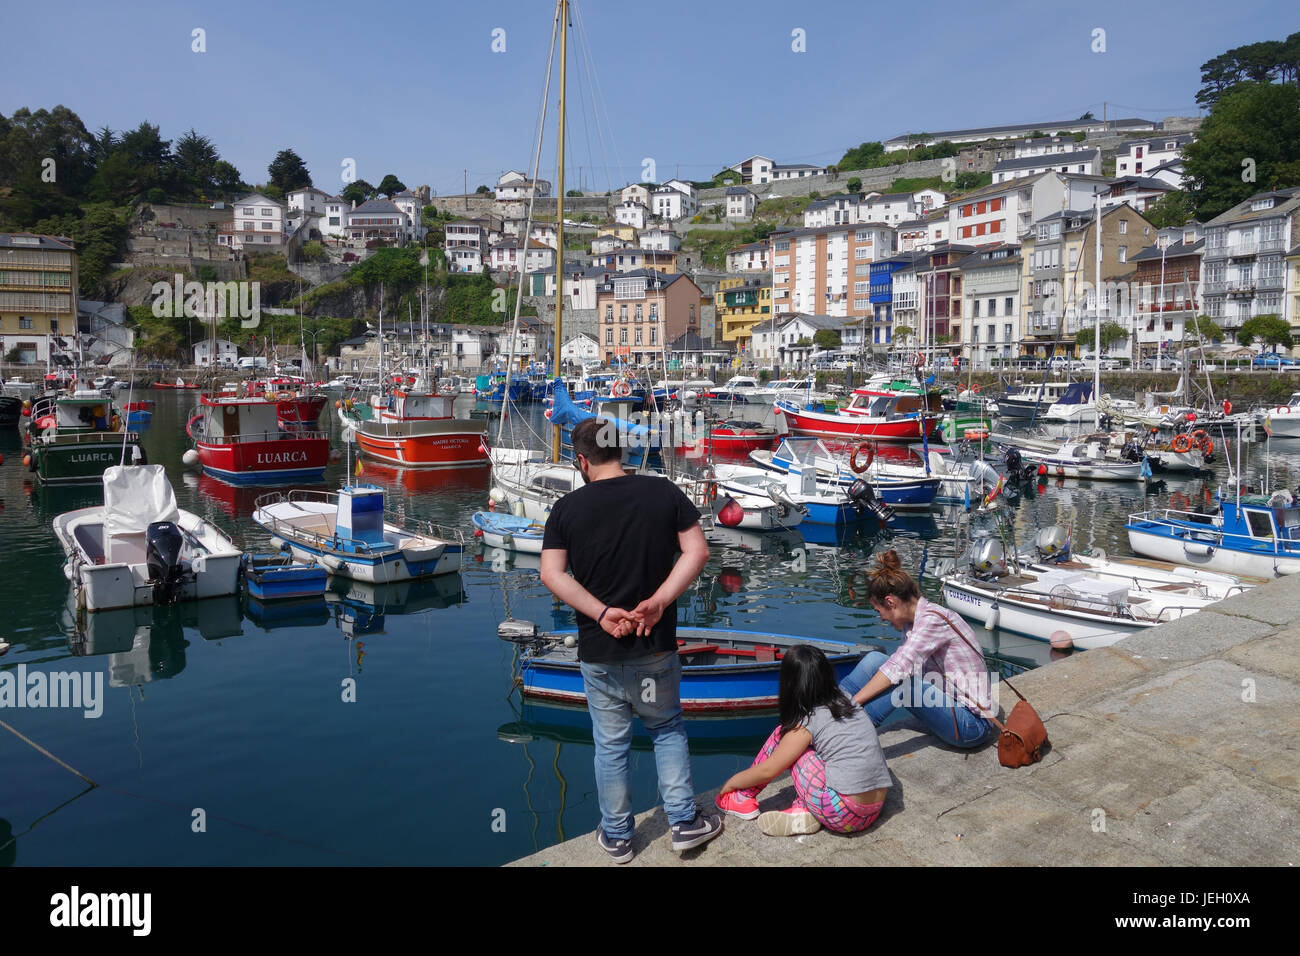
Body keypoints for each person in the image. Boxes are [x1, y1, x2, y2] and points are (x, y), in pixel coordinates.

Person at [540, 417, 721, 863]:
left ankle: (618, 836)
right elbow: (697, 551)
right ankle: (683, 823)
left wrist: (602, 613)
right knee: (666, 728)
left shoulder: (566, 509)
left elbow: (551, 573)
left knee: (611, 743)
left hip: (600, 650)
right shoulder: (661, 491)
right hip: (654, 642)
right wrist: (658, 601)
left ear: (582, 461)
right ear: (621, 451)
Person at [715, 645, 891, 837]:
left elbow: (768, 770)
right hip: (873, 810)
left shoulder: (808, 721)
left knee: (785, 740)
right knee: (804, 744)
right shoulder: (847, 700)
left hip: (843, 815)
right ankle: (803, 810)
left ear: (790, 683)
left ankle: (742, 797)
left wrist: (731, 784)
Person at [838, 550, 996, 748]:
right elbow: (895, 664)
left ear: (890, 602)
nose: (882, 619)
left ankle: (843, 732)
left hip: (972, 725)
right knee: (874, 659)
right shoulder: (913, 623)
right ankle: (831, 709)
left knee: (902, 681)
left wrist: (854, 703)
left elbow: (898, 669)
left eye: (880, 612)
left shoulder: (933, 621)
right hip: (951, 708)